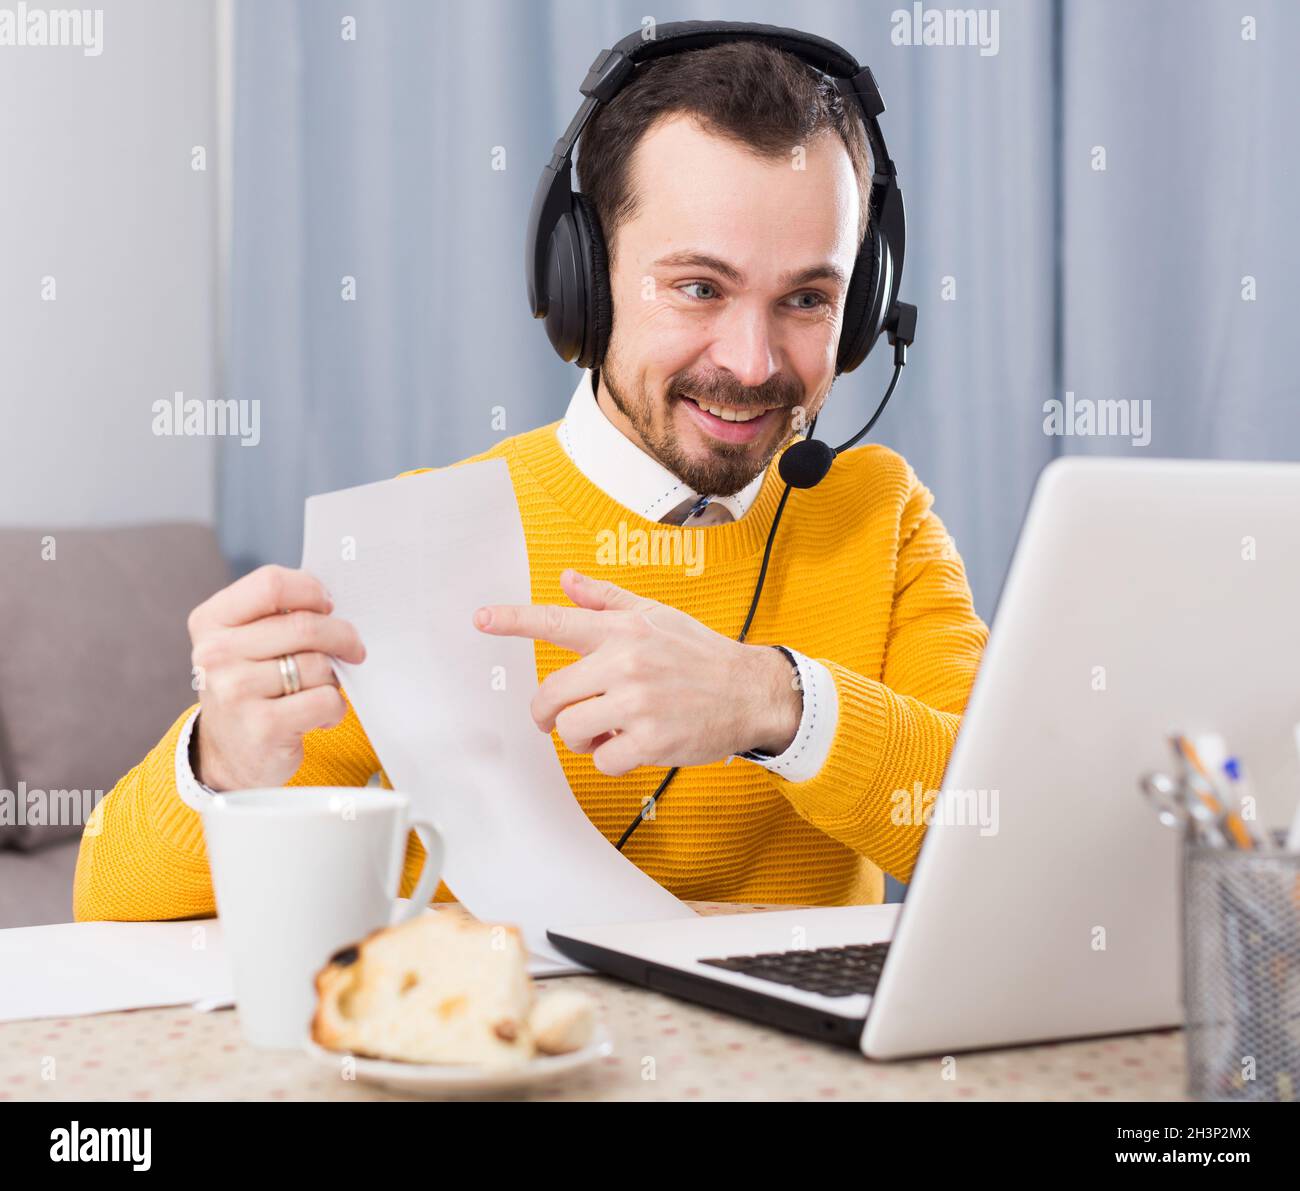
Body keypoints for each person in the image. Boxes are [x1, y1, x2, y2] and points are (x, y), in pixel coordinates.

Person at [73, 39, 988, 923]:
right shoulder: (422, 537)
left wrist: (773, 701)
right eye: (699, 289)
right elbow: (108, 900)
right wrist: (223, 758)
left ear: (863, 308)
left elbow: (1011, 840)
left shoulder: (882, 514)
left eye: (806, 300)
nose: (752, 364)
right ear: (581, 280)